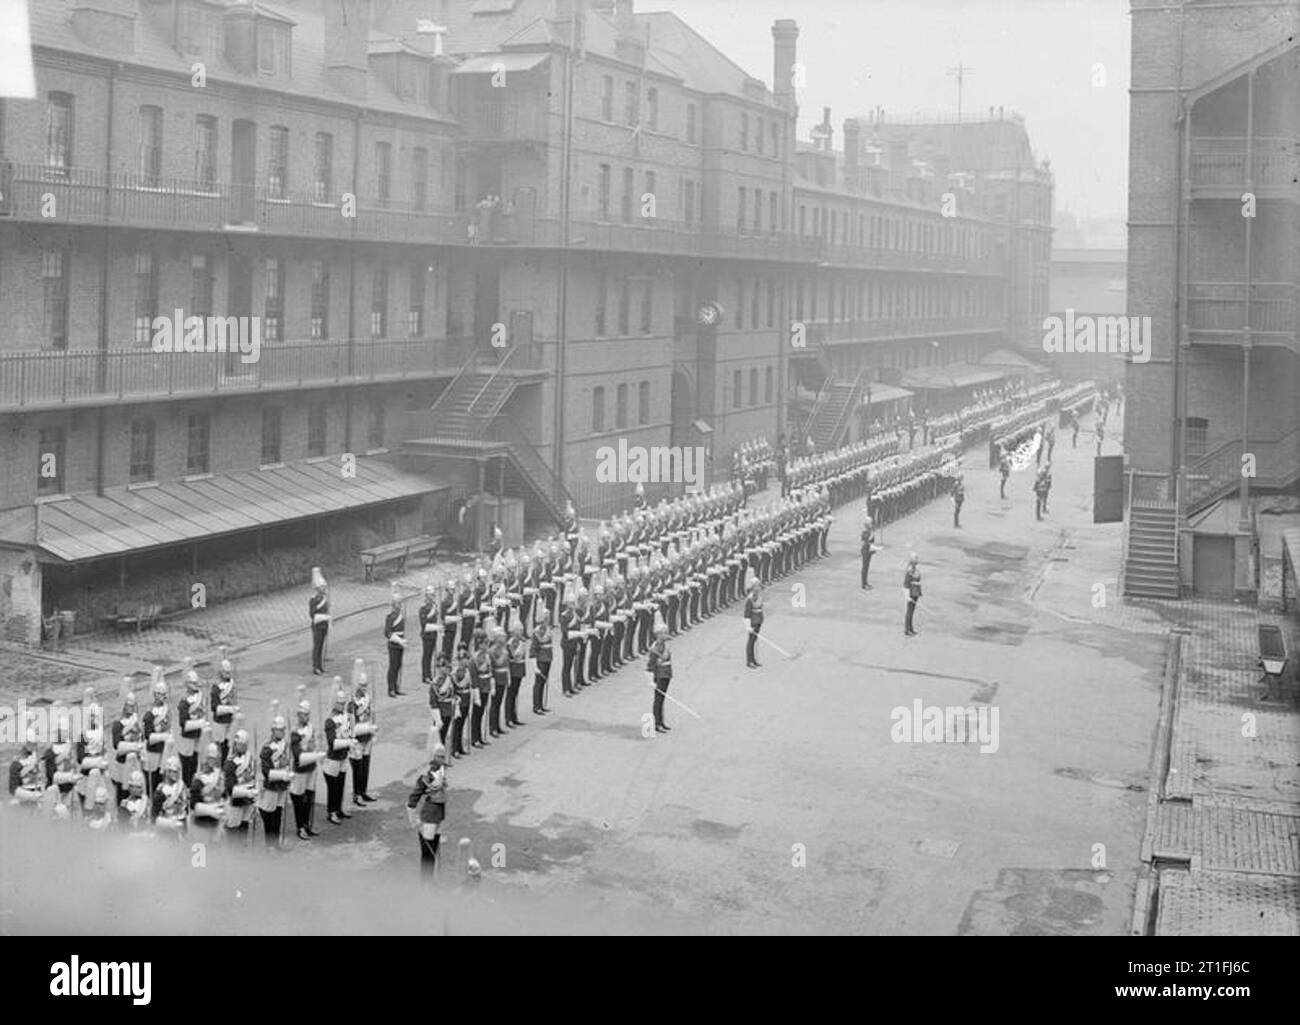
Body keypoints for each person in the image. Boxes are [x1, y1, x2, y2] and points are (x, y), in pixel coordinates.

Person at [407, 746, 449, 878]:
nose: (442, 760)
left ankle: (430, 880)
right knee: (428, 853)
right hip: (429, 815)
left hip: (439, 814)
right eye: (439, 757)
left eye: (443, 757)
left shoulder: (441, 770)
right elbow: (413, 798)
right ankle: (426, 882)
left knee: (434, 851)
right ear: (433, 757)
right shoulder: (426, 775)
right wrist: (413, 820)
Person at [288, 697, 323, 841]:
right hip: (300, 770)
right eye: (304, 715)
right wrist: (312, 755)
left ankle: (307, 825)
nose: (306, 717)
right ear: (299, 715)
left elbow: (314, 744)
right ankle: (300, 827)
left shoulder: (311, 727)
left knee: (309, 798)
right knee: (299, 799)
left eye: (308, 715)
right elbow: (297, 755)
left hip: (311, 768)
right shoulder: (295, 731)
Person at [258, 709, 292, 848]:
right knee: (269, 814)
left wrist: (287, 773)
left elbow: (287, 762)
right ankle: (269, 845)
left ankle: (276, 843)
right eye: (279, 730)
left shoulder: (285, 744)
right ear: (273, 730)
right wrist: (282, 771)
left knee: (278, 814)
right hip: (272, 786)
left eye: (283, 730)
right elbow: (267, 772)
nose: (282, 732)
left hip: (282, 785)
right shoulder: (267, 748)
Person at [347, 664, 378, 806]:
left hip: (367, 736)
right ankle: (356, 793)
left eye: (365, 685)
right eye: (362, 685)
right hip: (358, 737)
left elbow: (371, 716)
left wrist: (373, 732)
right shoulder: (352, 702)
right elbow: (351, 723)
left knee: (366, 765)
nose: (364, 688)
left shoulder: (368, 698)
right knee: (357, 768)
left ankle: (363, 791)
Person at [322, 686, 353, 825]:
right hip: (333, 758)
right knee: (333, 788)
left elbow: (349, 731)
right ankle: (331, 811)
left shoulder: (346, 717)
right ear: (335, 703)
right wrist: (348, 741)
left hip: (343, 756)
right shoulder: (330, 720)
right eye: (340, 703)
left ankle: (339, 808)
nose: (342, 706)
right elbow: (332, 743)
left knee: (341, 785)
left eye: (344, 703)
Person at [646, 619, 673, 734]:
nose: (666, 634)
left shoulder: (663, 645)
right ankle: (656, 723)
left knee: (661, 700)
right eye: (664, 633)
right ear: (659, 634)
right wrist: (651, 680)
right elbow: (650, 664)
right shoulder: (656, 646)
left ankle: (661, 722)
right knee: (658, 700)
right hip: (660, 674)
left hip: (666, 673)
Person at [384, 591, 408, 697]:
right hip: (394, 644)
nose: (400, 605)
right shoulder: (391, 617)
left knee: (398, 666)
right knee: (393, 667)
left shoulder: (401, 615)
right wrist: (399, 640)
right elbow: (388, 633)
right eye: (398, 603)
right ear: (394, 604)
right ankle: (391, 689)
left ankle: (397, 687)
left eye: (400, 603)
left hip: (400, 643)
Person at [530, 607, 553, 715]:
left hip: (547, 657)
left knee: (543, 682)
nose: (548, 618)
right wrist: (535, 666)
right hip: (541, 658)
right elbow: (534, 649)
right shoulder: (538, 630)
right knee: (539, 683)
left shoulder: (547, 627)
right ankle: (536, 706)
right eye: (546, 616)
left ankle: (541, 704)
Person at [309, 569, 330, 676]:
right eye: (322, 587)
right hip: (317, 626)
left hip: (324, 626)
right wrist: (324, 617)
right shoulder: (314, 600)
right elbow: (313, 615)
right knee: (317, 647)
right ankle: (315, 666)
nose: (324, 589)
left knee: (321, 646)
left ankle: (321, 665)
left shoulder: (325, 598)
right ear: (318, 588)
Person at [506, 622, 527, 727]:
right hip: (513, 670)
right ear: (514, 632)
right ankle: (508, 718)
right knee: (510, 695)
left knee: (515, 694)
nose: (521, 632)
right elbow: (515, 656)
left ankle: (514, 717)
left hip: (519, 670)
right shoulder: (511, 643)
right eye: (519, 630)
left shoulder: (521, 641)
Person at [418, 584, 440, 684]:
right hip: (427, 634)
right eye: (431, 595)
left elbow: (436, 618)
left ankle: (430, 674)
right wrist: (432, 612)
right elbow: (423, 622)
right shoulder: (424, 607)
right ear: (427, 596)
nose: (433, 597)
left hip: (433, 633)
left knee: (431, 655)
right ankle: (425, 675)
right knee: (426, 656)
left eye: (433, 595)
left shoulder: (434, 605)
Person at [743, 581, 764, 669]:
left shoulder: (759, 597)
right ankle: (749, 661)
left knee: (755, 642)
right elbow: (746, 614)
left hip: (758, 621)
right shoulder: (750, 599)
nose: (758, 588)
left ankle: (754, 660)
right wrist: (748, 626)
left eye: (759, 587)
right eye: (756, 587)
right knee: (751, 642)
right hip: (752, 622)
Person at [904, 555, 922, 637]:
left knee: (912, 611)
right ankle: (907, 630)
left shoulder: (915, 569)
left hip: (915, 592)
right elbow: (906, 585)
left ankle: (911, 629)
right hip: (911, 592)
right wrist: (907, 596)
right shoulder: (910, 570)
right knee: (909, 612)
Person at [859, 515, 876, 589]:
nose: (871, 524)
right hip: (865, 550)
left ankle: (866, 582)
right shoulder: (865, 531)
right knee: (864, 567)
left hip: (869, 550)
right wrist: (871, 535)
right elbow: (866, 540)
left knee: (867, 567)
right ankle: (863, 584)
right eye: (870, 523)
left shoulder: (870, 530)